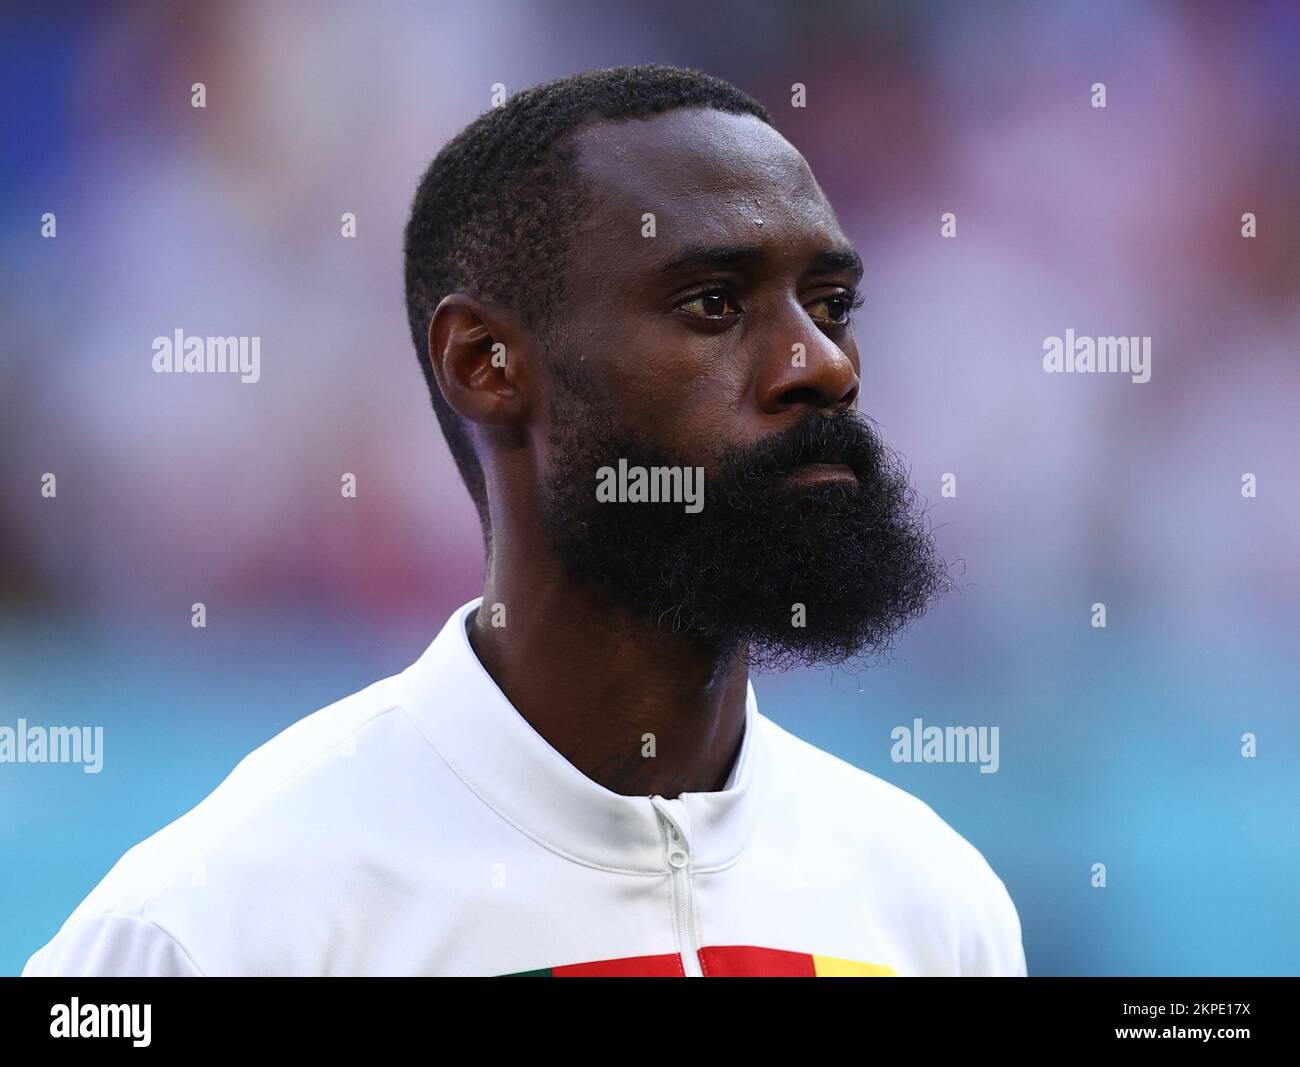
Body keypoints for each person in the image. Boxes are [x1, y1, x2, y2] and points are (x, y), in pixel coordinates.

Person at [23, 64, 1026, 977]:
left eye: (831, 302)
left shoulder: (931, 905)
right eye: (715, 303)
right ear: (487, 365)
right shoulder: (219, 926)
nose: (823, 363)